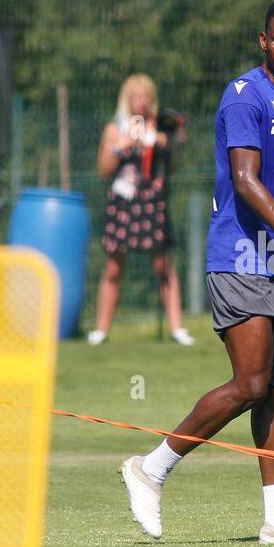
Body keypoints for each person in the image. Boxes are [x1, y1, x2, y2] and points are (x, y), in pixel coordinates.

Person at [120, 0, 274, 545]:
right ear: (262, 41)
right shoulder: (244, 96)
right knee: (251, 382)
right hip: (241, 257)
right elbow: (247, 181)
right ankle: (150, 470)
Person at [88, 73, 194, 346]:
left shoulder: (159, 130)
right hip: (123, 202)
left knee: (164, 266)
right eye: (136, 96)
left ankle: (176, 328)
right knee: (114, 266)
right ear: (127, 99)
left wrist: (169, 145)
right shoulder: (115, 129)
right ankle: (101, 330)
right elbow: (103, 170)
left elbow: (171, 168)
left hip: (152, 202)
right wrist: (120, 147)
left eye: (146, 96)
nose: (141, 101)